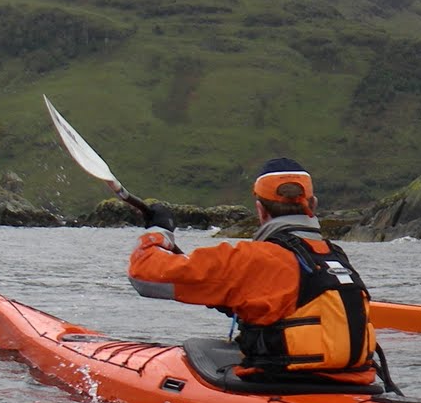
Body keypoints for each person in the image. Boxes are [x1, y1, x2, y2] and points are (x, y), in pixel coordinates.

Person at [128, 157, 379, 386]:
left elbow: (144, 275)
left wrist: (160, 232)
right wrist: (237, 303)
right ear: (312, 206)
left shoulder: (249, 260)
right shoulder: (334, 255)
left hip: (281, 383)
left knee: (200, 349)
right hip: (355, 383)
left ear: (260, 211)